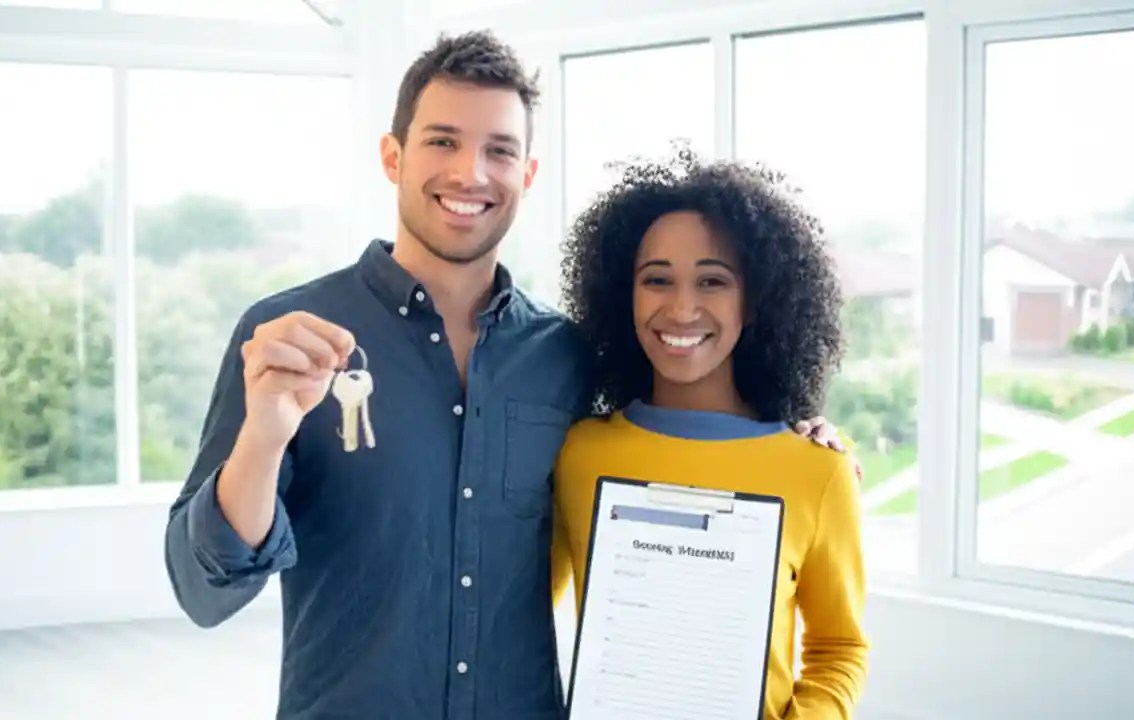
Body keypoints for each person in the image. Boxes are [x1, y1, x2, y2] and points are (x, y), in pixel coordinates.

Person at [163, 31, 845, 719]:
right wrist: (265, 436)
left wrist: (795, 430)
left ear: (528, 173)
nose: (470, 173)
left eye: (499, 150)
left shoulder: (569, 356)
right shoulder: (287, 340)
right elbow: (203, 590)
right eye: (442, 141)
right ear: (392, 157)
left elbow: (673, 439)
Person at [551, 147, 868, 719]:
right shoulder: (578, 453)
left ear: (755, 302)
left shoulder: (818, 471)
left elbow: (839, 648)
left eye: (713, 281)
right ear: (625, 297)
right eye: (656, 280)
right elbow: (523, 610)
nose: (682, 307)